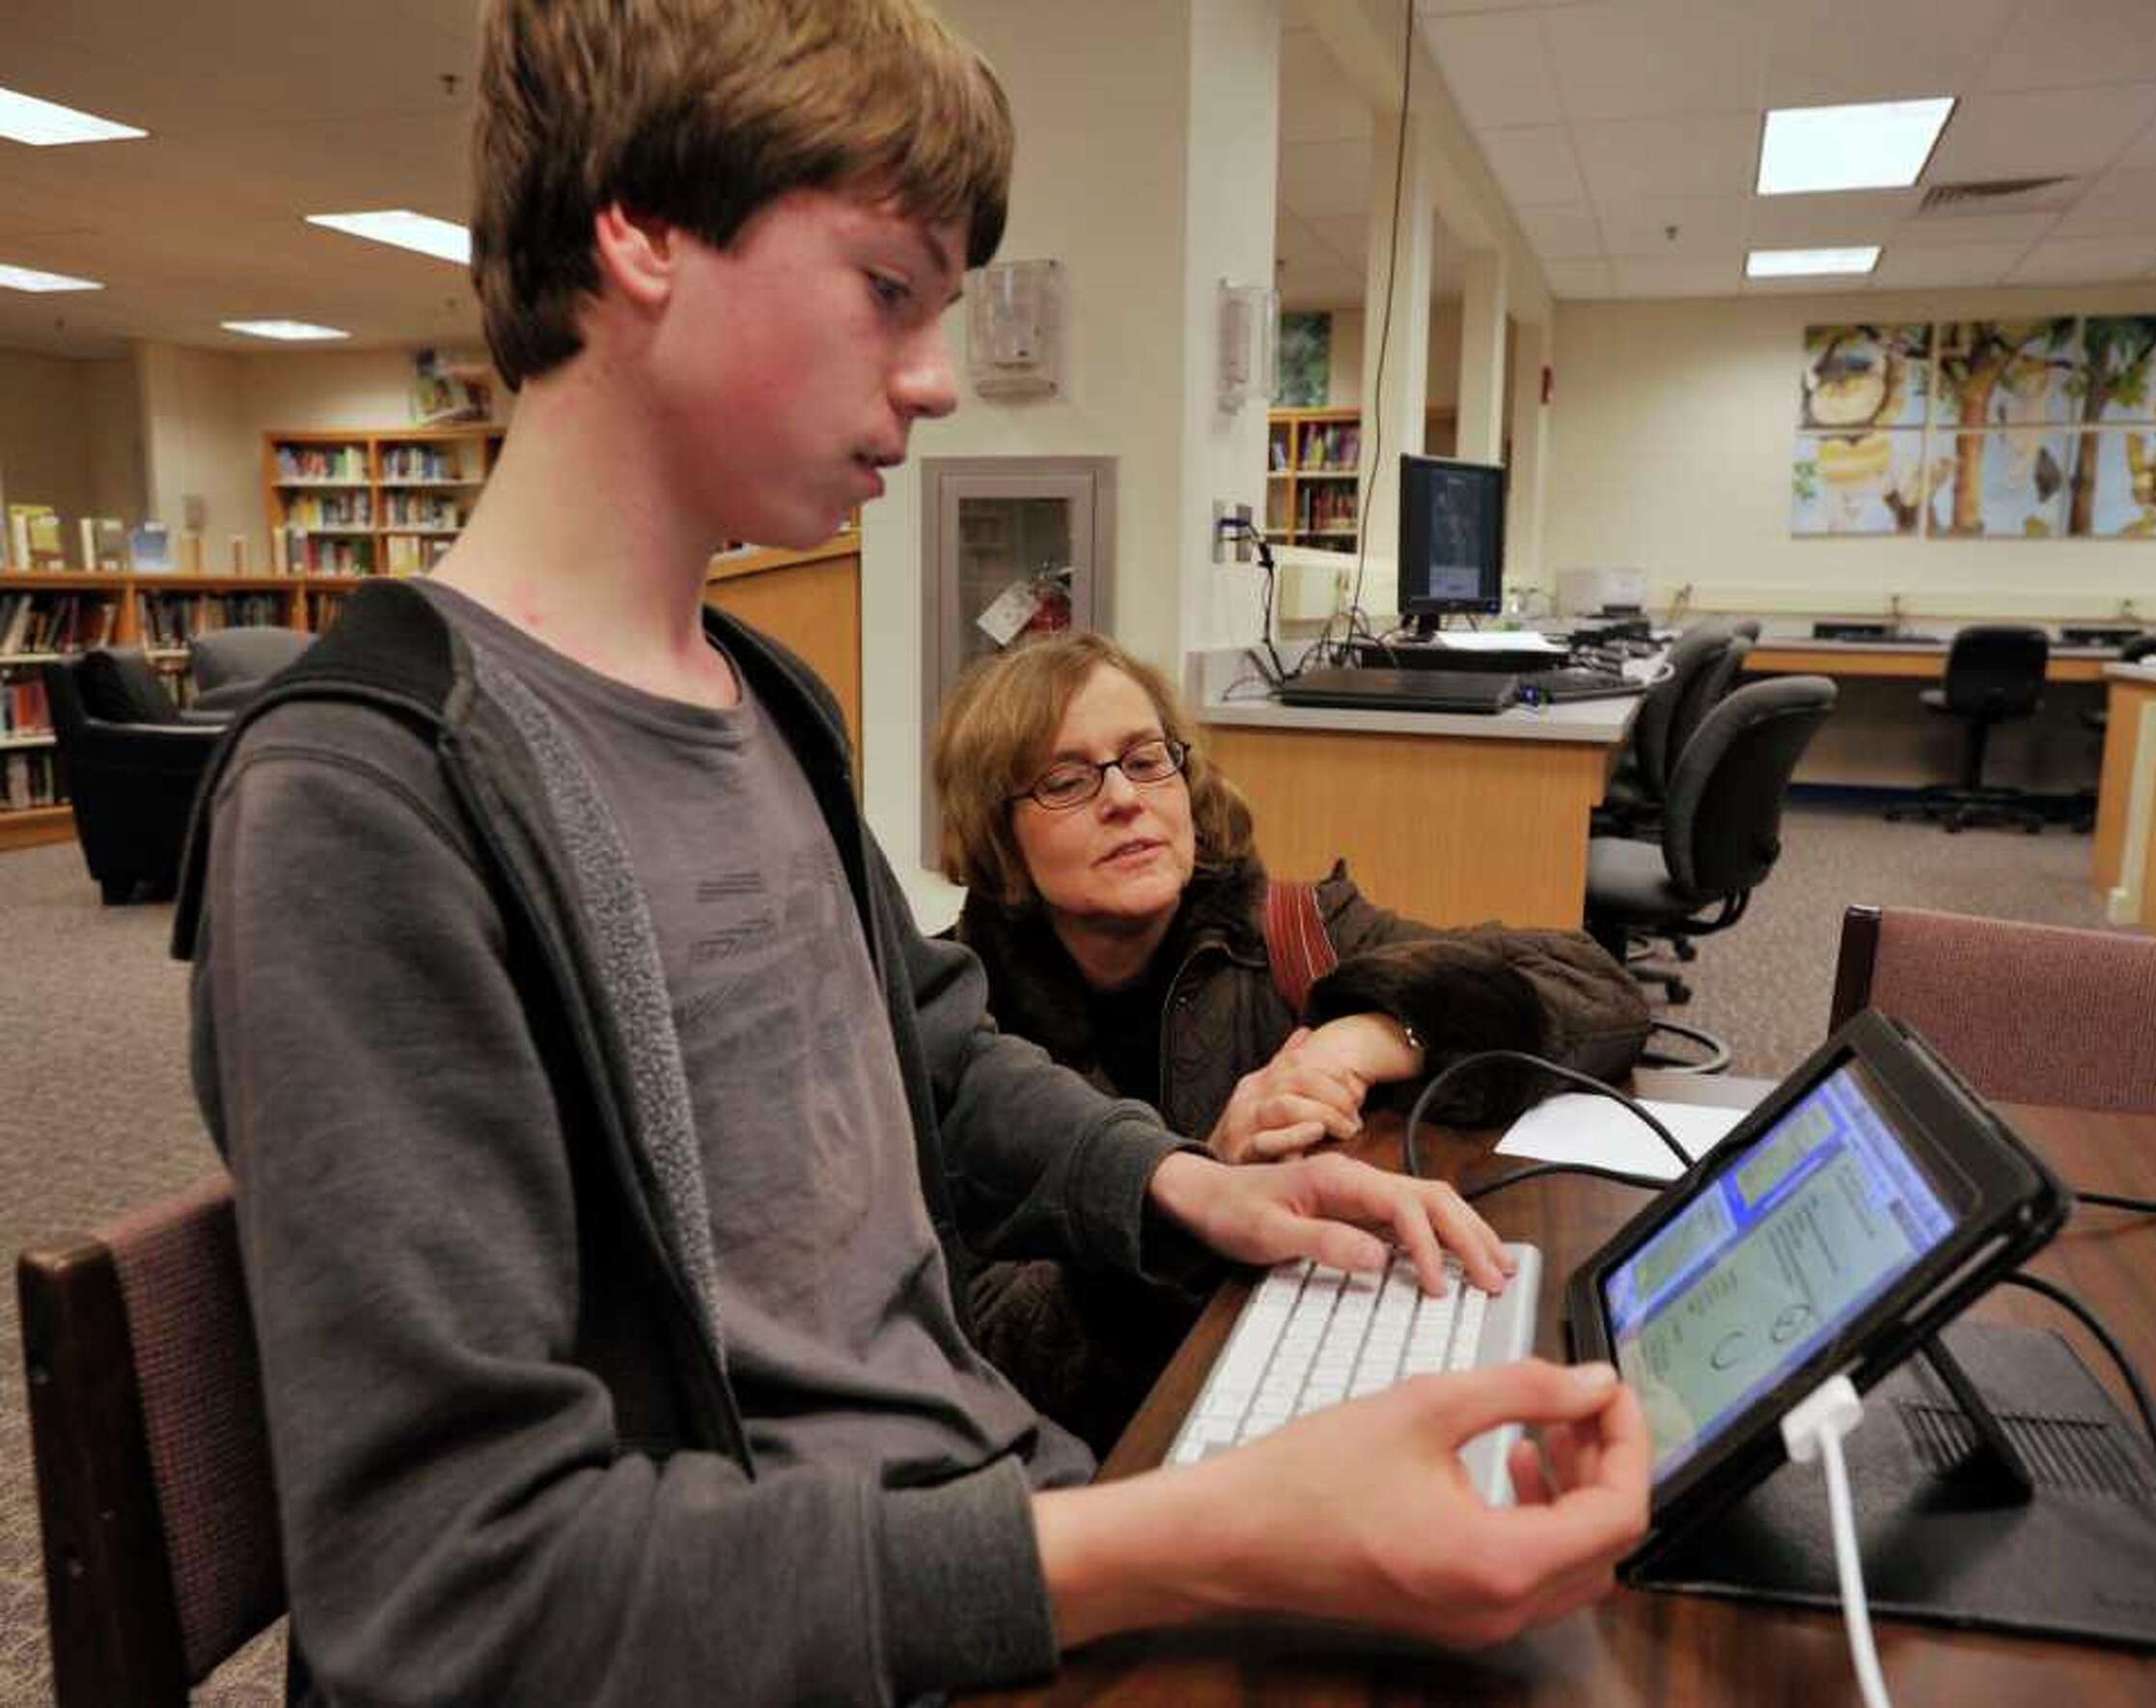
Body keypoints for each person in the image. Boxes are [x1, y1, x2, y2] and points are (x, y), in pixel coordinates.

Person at [172, 1, 1650, 1701]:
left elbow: (928, 1055)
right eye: (890, 288)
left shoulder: (765, 703)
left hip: (987, 1525)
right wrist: (1194, 1535)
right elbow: (456, 1591)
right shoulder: (368, 799)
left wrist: (1191, 1187)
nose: (940, 374)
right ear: (639, 229)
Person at [931, 632, 1652, 1444]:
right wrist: (1197, 1193)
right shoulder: (952, 1029)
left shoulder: (1292, 930)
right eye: (1066, 780)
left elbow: (1597, 987)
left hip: (1310, 1361)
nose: (1126, 799)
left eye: (1145, 759)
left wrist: (1373, 1033)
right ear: (996, 832)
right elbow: (997, 1347)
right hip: (1126, 1454)